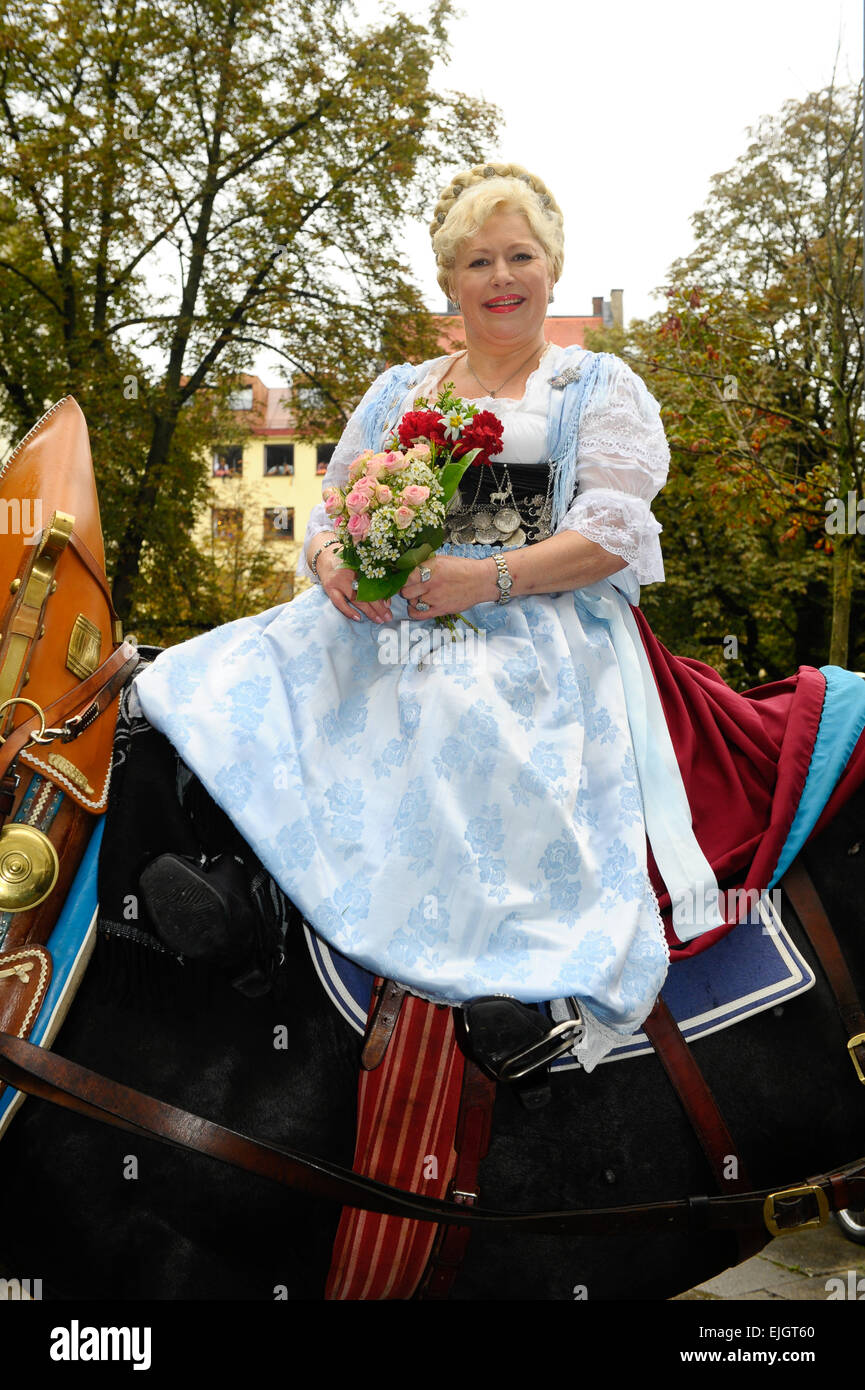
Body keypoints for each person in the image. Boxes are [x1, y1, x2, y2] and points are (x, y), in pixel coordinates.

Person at [133, 161, 865, 1073]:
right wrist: (331, 564)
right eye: (478, 261)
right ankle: (240, 904)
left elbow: (610, 532)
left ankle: (511, 984)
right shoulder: (401, 389)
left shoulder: (592, 385)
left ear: (551, 268)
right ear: (450, 280)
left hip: (537, 622)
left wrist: (486, 581)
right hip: (390, 611)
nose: (502, 278)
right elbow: (330, 507)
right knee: (200, 681)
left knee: (456, 705)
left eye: (520, 256)